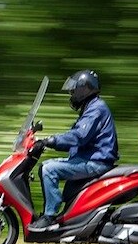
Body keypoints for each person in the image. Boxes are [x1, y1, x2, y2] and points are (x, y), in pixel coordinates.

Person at [27, 70, 119, 232]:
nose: (71, 95)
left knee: (48, 169)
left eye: (73, 91)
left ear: (84, 89)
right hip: (90, 159)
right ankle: (67, 221)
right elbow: (76, 139)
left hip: (96, 162)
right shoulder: (91, 108)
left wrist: (50, 141)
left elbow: (78, 137)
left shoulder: (96, 109)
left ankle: (49, 217)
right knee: (60, 179)